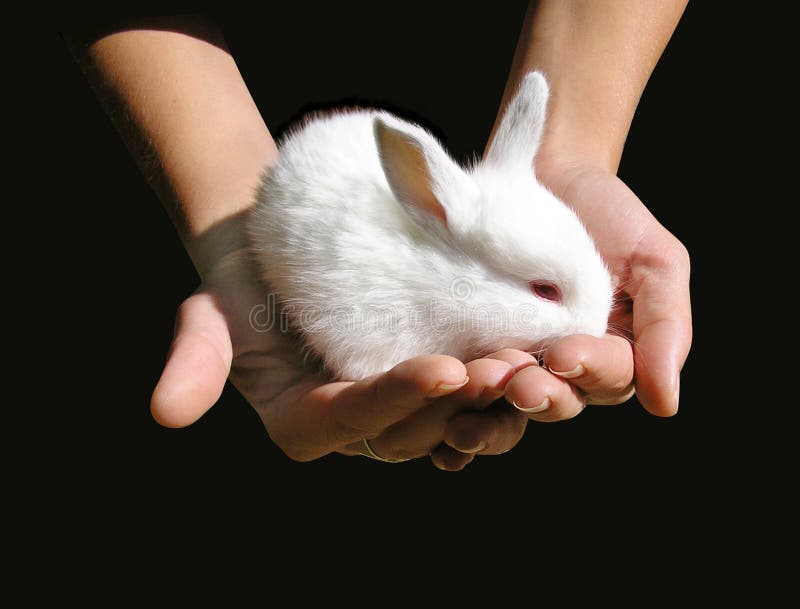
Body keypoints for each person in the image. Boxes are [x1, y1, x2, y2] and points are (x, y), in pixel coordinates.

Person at [65, 1, 691, 471]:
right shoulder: (377, 292)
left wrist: (573, 150)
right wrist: (221, 216)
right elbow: (362, 354)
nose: (593, 322)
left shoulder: (503, 227)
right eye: (547, 292)